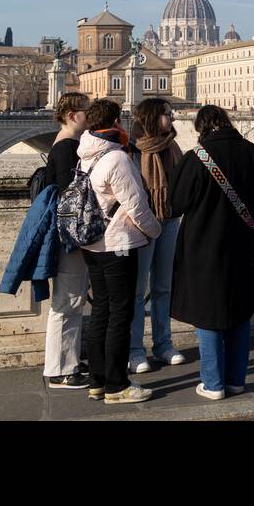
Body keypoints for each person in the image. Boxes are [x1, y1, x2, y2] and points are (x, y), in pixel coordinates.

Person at [168, 104, 254, 400]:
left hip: (204, 246)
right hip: (242, 241)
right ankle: (236, 379)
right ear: (226, 122)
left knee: (209, 313)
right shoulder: (251, 151)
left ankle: (213, 384)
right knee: (240, 312)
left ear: (201, 128)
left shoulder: (196, 158)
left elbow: (177, 203)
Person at [77, 98, 162, 404]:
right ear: (114, 123)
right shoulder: (117, 158)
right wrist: (155, 231)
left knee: (101, 310)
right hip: (119, 245)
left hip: (92, 244)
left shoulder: (84, 154)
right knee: (120, 314)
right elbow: (136, 205)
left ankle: (97, 381)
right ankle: (117, 385)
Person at [127, 98, 186, 373]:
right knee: (138, 290)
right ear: (152, 117)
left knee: (163, 287)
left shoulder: (173, 146)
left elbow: (184, 180)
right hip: (141, 224)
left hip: (170, 220)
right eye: (167, 115)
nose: (172, 119)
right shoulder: (131, 149)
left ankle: (163, 344)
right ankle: (135, 350)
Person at [41, 92, 91, 389]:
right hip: (68, 236)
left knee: (71, 300)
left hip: (67, 234)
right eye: (86, 111)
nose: (89, 116)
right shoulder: (67, 148)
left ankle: (67, 360)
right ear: (73, 115)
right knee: (68, 302)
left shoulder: (65, 145)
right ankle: (59, 369)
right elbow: (69, 197)